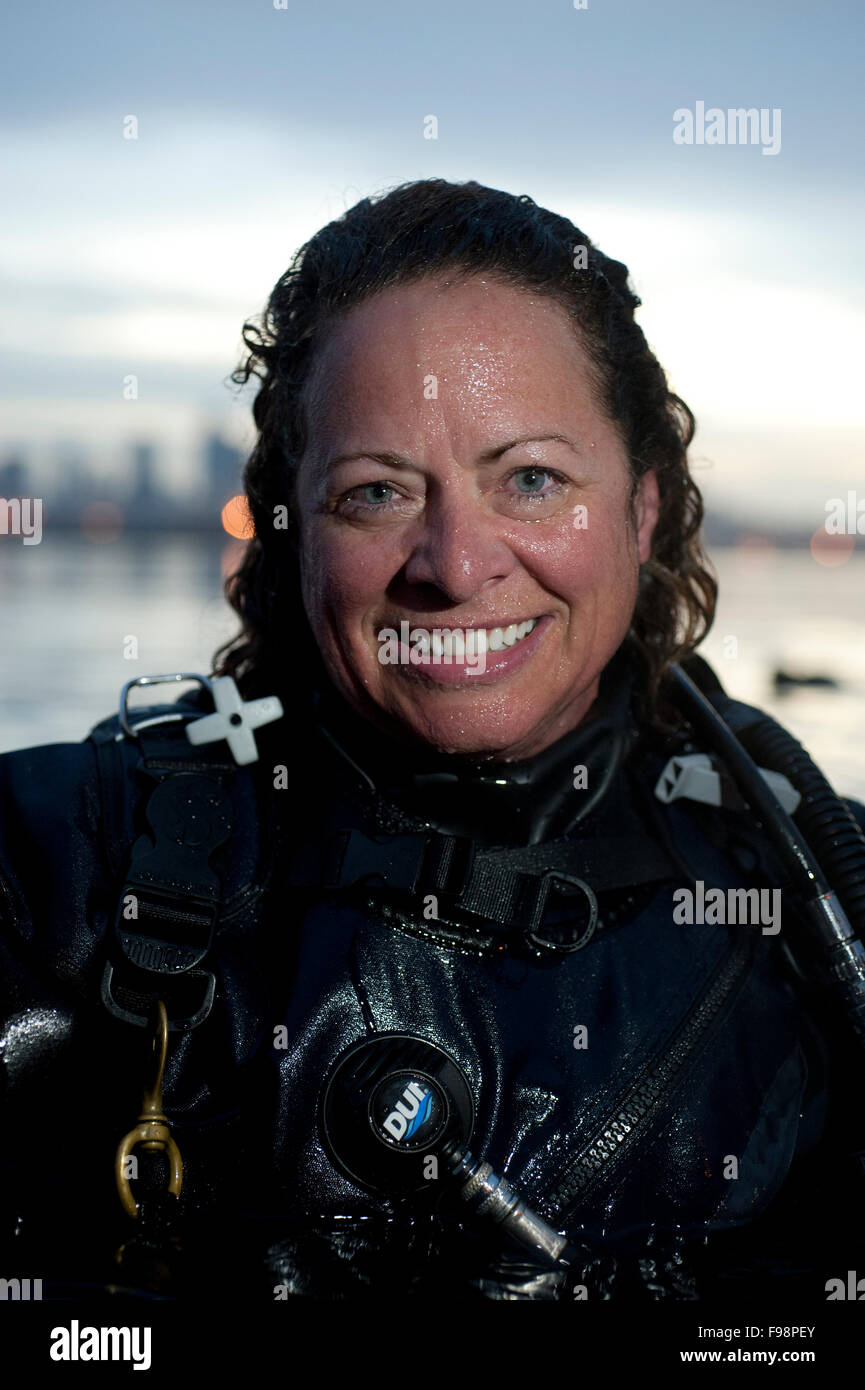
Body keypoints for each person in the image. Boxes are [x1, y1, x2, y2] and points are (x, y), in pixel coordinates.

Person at [2, 178, 864, 1304]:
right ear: (291, 530)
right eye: (376, 494)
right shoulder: (61, 868)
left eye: (534, 479)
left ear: (644, 509)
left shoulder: (814, 900)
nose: (456, 566)